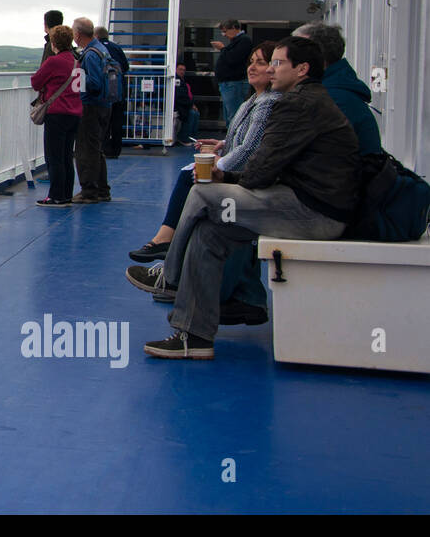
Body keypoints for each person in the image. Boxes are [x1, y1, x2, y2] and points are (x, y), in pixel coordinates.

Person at [127, 37, 361, 359]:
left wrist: (226, 178)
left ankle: (168, 276)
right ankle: (193, 336)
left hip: (315, 213)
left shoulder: (296, 104)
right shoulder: (306, 100)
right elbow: (269, 167)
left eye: (278, 63)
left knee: (203, 193)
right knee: (211, 232)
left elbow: (263, 168)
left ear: (302, 69)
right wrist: (231, 178)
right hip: (306, 201)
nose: (271, 69)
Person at [293, 22, 382, 155]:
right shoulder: (335, 91)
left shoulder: (332, 99)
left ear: (319, 56)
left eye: (298, 52)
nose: (292, 59)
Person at [30, 25, 82, 207]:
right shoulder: (77, 61)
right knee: (67, 155)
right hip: (75, 113)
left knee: (54, 157)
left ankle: (56, 196)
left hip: (57, 113)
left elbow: (36, 82)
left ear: (54, 42)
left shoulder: (54, 62)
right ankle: (66, 194)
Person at [70, 17, 115, 203]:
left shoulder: (90, 54)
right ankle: (103, 190)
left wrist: (76, 79)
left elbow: (94, 83)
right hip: (105, 104)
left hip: (91, 106)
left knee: (85, 149)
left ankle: (89, 191)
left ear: (78, 34)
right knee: (97, 149)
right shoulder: (103, 50)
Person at [95, 26, 130, 158]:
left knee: (104, 122)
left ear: (96, 36)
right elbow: (125, 67)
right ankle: (116, 150)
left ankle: (103, 149)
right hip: (119, 91)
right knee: (117, 122)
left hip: (104, 92)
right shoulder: (117, 48)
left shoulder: (97, 49)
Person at [211, 19, 253, 126]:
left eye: (225, 31)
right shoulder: (238, 41)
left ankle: (234, 139)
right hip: (229, 83)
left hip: (234, 83)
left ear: (234, 28)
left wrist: (222, 48)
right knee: (230, 116)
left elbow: (233, 59)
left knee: (234, 116)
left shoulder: (244, 40)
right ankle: (231, 139)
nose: (224, 35)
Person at [173, 63, 198, 145]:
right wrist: (190, 105)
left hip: (184, 104)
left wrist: (191, 104)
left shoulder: (183, 81)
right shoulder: (176, 81)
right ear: (175, 69)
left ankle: (192, 136)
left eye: (183, 70)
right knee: (191, 113)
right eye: (180, 69)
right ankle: (184, 137)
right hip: (179, 105)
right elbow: (179, 97)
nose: (182, 71)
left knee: (195, 113)